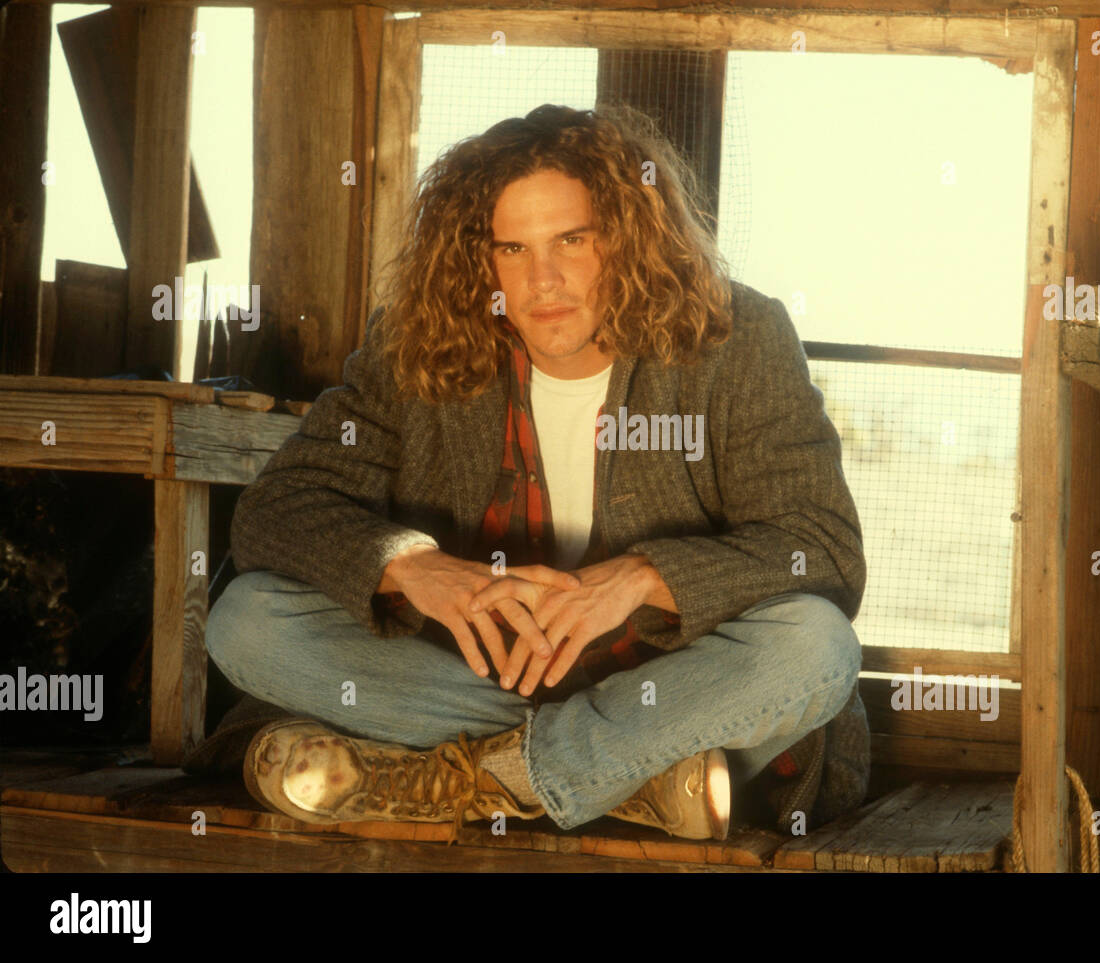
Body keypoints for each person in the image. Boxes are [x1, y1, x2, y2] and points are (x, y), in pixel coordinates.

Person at [205, 103, 870, 843]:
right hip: (472, 683)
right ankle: (625, 774)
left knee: (817, 644)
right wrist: (409, 564)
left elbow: (824, 548)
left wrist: (640, 578)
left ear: (628, 239)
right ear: (477, 259)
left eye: (571, 240)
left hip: (671, 683)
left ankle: (473, 777)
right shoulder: (416, 345)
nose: (543, 280)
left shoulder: (739, 338)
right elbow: (273, 512)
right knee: (246, 620)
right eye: (512, 249)